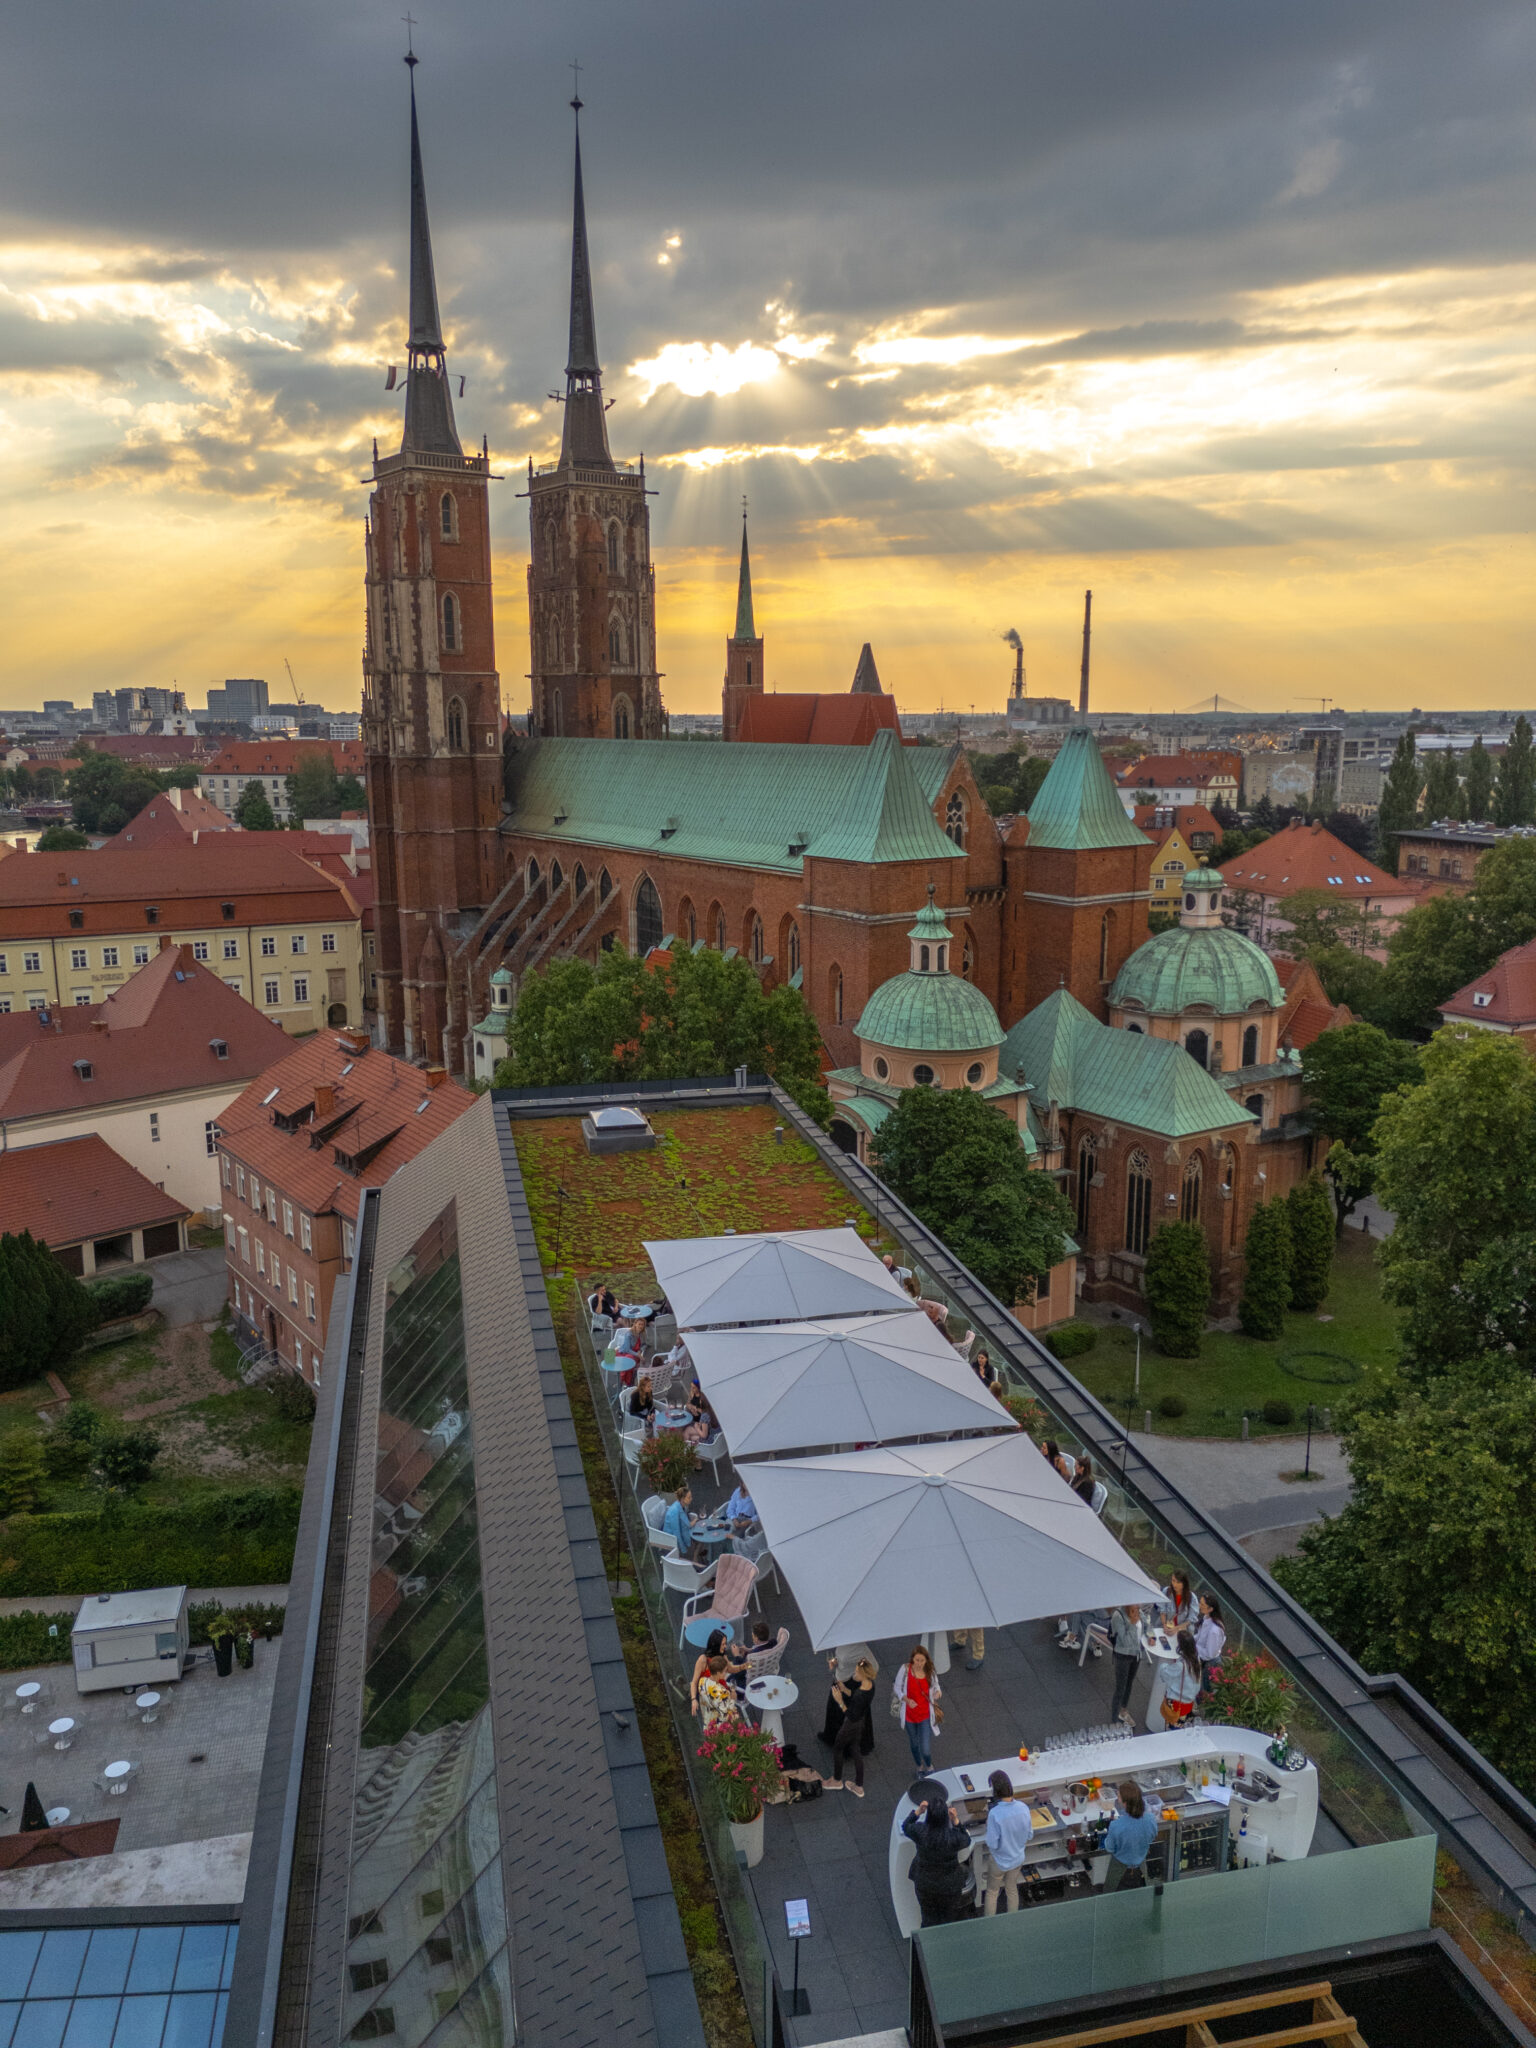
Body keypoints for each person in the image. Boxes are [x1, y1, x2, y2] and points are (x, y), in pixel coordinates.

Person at [901, 1794, 972, 1928]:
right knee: (948, 1918)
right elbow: (966, 1839)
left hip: (925, 1883)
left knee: (927, 1918)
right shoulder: (953, 1838)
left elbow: (906, 1826)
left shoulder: (921, 1831)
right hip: (950, 1885)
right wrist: (956, 1820)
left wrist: (918, 1811)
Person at [822, 1658, 876, 1796]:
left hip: (851, 1724)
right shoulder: (870, 1685)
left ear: (864, 1674)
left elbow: (851, 1714)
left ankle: (837, 1780)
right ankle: (858, 1786)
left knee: (838, 1748)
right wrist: (845, 1689)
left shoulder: (860, 1694)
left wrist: (839, 1700)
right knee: (855, 1750)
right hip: (861, 1724)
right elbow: (855, 1699)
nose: (854, 1673)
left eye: (857, 1672)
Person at [982, 1771, 1033, 1915]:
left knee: (992, 1892)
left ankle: (990, 1923)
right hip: (1017, 1859)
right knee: (1011, 1888)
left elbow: (992, 1844)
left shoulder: (994, 1814)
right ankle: (1012, 1920)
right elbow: (1029, 1835)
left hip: (999, 1862)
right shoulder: (1023, 1808)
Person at [1100, 1779, 1160, 1892]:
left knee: (1111, 1896)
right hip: (1141, 1866)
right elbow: (1152, 1837)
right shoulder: (1150, 1819)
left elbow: (1109, 1848)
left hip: (1119, 1868)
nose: (1117, 1799)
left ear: (1125, 1802)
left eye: (1119, 1797)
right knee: (1139, 1895)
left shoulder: (1116, 1825)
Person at [819, 1643, 879, 1754]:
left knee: (846, 1716)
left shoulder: (861, 1649)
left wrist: (857, 1673)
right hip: (839, 1679)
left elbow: (874, 1667)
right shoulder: (842, 1641)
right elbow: (843, 1658)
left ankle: (848, 1749)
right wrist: (835, 1661)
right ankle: (832, 1738)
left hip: (850, 1683)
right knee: (833, 1710)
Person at [893, 1644, 942, 1774]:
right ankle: (919, 1767)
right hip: (909, 1716)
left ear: (926, 1660)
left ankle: (929, 1766)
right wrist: (907, 1700)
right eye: (917, 1660)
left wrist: (937, 1693)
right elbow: (897, 1688)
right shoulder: (905, 1670)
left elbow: (937, 1686)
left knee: (925, 1748)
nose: (919, 1663)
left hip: (925, 1715)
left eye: (922, 1660)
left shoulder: (930, 1671)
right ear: (912, 1659)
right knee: (914, 1744)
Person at [690, 1628, 747, 1712]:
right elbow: (694, 1682)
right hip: (708, 1693)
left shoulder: (723, 1656)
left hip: (720, 1690)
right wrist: (694, 1699)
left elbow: (730, 1669)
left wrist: (742, 1667)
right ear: (715, 1645)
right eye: (723, 1644)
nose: (725, 1646)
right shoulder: (703, 1660)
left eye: (725, 1643)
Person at [1108, 1605, 1142, 1725]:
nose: (1139, 1606)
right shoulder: (1118, 1616)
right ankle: (1113, 1720)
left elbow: (1147, 1627)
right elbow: (1125, 1641)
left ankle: (1123, 1711)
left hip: (1136, 1656)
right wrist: (1132, 1624)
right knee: (1120, 1688)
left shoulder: (1139, 1611)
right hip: (1123, 1656)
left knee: (1129, 1684)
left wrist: (1151, 1635)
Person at [1161, 1629, 1202, 1726]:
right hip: (1188, 1704)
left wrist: (1163, 1665)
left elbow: (1164, 1673)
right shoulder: (1196, 1660)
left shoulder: (1181, 1665)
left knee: (1171, 1726)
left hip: (1176, 1704)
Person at [662, 1485, 705, 1564]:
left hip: (684, 1530)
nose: (691, 1499)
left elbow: (686, 1523)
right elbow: (676, 1533)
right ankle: (695, 1558)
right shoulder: (674, 1512)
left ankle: (697, 1554)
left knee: (702, 1536)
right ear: (682, 1499)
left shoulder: (682, 1506)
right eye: (689, 1497)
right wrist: (683, 1549)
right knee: (700, 1538)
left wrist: (695, 1520)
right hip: (673, 1538)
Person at [1195, 1593, 1227, 1697]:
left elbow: (1209, 1654)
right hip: (1204, 1661)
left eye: (1202, 1605)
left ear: (1210, 1609)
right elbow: (1199, 1637)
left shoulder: (1214, 1630)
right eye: (1200, 1603)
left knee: (1205, 1692)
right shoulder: (1206, 1618)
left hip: (1209, 1664)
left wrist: (1193, 1647)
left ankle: (1200, 1711)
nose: (1200, 1606)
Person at [697, 1656, 739, 1729]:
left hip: (708, 1719)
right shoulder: (722, 1691)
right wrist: (733, 1699)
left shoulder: (702, 1681)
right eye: (725, 1671)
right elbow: (725, 1716)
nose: (727, 1673)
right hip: (719, 1727)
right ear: (718, 1673)